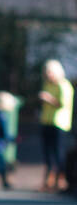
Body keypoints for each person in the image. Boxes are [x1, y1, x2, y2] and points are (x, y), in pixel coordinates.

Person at [37, 59, 73, 192]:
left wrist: (48, 98)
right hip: (46, 121)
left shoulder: (64, 85)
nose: (48, 76)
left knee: (58, 153)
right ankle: (49, 181)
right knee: (47, 153)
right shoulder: (48, 84)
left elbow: (63, 104)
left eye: (50, 73)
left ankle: (61, 179)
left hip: (60, 123)